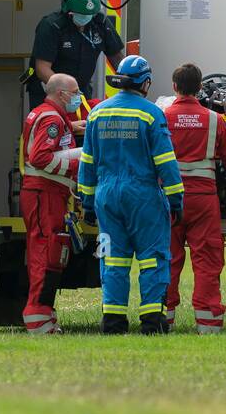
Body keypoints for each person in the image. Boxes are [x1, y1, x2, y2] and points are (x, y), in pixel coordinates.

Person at [76, 55, 184, 335]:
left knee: (113, 258)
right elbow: (166, 161)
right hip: (143, 195)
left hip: (106, 196)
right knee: (152, 258)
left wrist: (87, 201)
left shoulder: (97, 113)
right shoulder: (150, 113)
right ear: (145, 82)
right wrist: (176, 199)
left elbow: (87, 161)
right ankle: (151, 321)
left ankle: (112, 320)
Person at [164, 62, 226, 333]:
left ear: (174, 87)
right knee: (207, 258)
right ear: (199, 89)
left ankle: (164, 317)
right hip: (204, 199)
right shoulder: (214, 120)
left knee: (168, 258)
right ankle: (208, 321)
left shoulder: (162, 116)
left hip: (169, 199)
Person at [19, 73, 85, 335]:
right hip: (44, 194)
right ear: (62, 94)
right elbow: (40, 157)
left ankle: (44, 314)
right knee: (45, 253)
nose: (78, 96)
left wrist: (75, 126)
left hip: (47, 194)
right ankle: (37, 317)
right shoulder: (52, 119)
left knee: (50, 252)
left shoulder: (49, 114)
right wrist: (80, 161)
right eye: (76, 91)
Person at [26, 0, 125, 121]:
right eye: (80, 14)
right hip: (51, 92)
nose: (85, 18)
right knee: (54, 130)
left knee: (83, 132)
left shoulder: (100, 23)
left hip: (80, 92)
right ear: (68, 10)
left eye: (88, 15)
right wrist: (66, 92)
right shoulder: (51, 26)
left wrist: (131, 82)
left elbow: (117, 58)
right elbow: (42, 69)